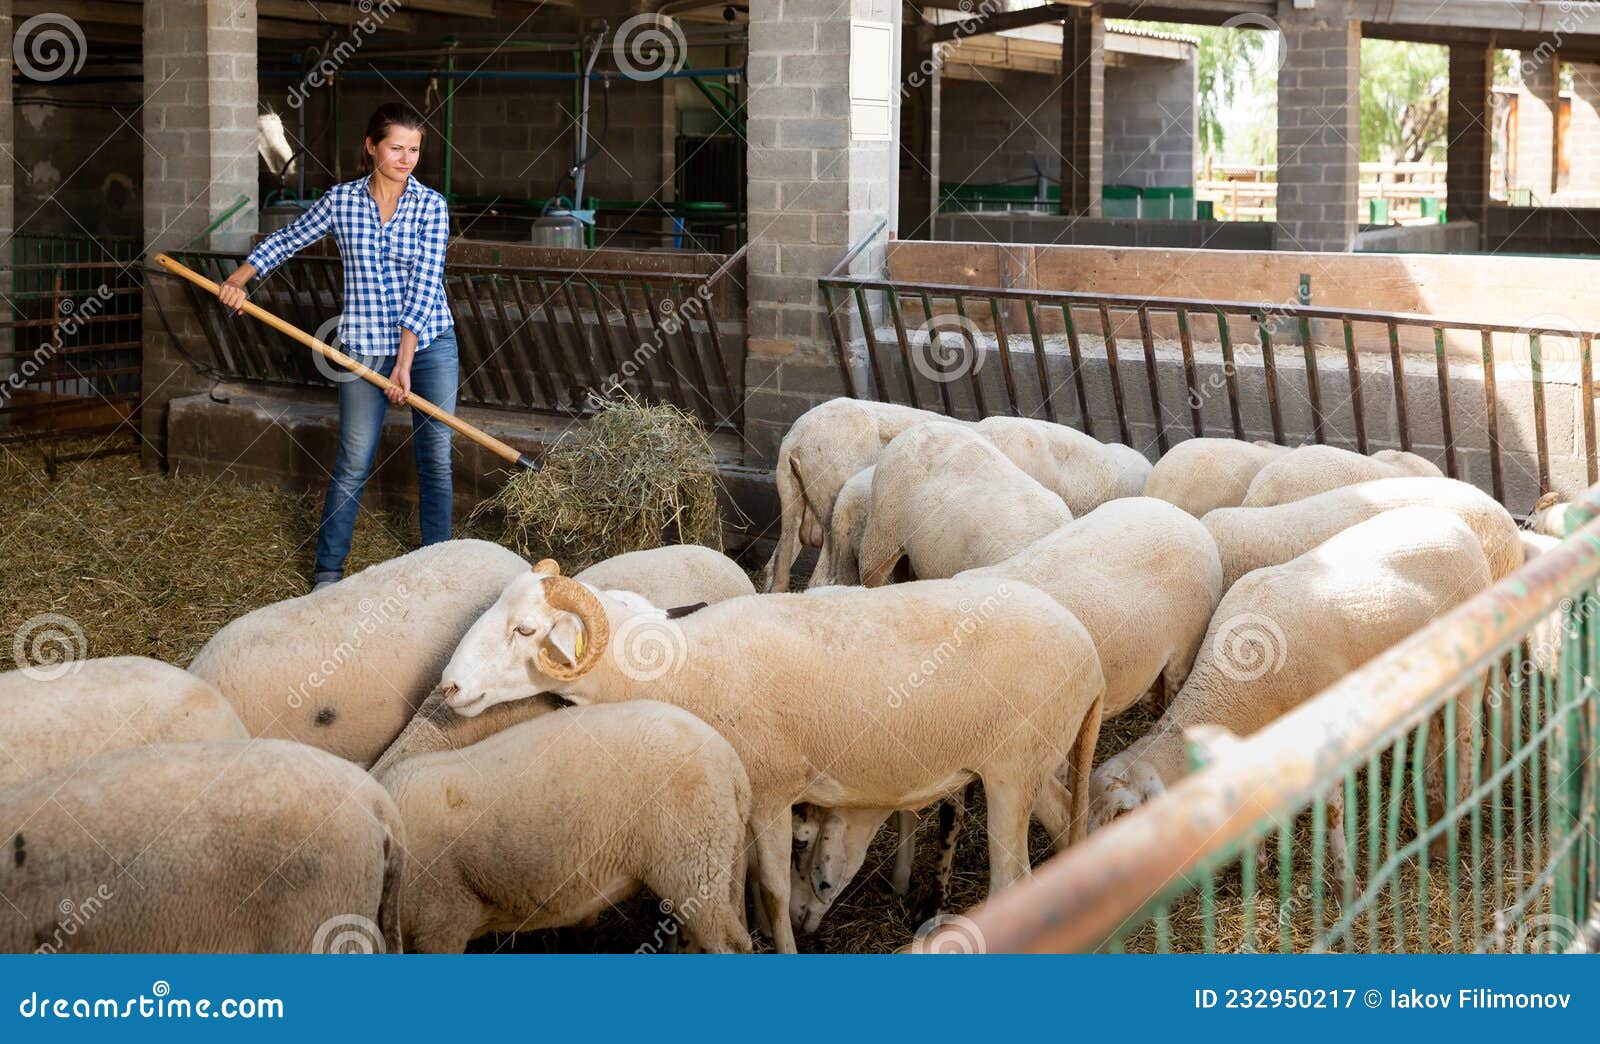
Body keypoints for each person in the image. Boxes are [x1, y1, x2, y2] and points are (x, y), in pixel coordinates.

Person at [219, 103, 457, 592]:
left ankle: (438, 569)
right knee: (352, 459)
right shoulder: (341, 201)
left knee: (434, 457)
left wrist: (405, 363)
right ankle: (328, 575)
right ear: (371, 146)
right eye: (396, 148)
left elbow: (425, 284)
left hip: (429, 346)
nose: (406, 158)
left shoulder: (432, 206)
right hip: (364, 348)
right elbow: (288, 239)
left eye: (414, 150)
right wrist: (241, 279)